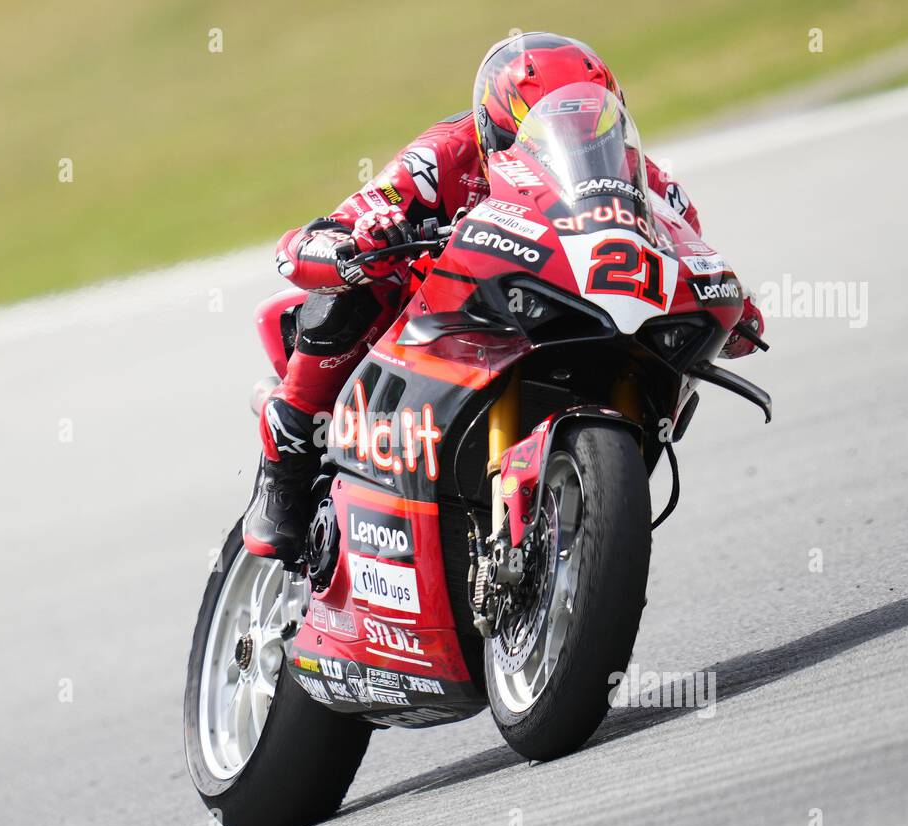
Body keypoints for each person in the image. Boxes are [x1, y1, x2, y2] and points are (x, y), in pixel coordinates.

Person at [244, 31, 765, 560]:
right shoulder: (444, 153)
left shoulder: (652, 184)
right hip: (443, 319)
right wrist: (353, 244)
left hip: (569, 316)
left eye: (588, 137)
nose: (572, 149)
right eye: (545, 134)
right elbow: (324, 232)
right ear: (496, 128)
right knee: (357, 285)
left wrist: (731, 303)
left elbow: (686, 245)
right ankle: (286, 456)